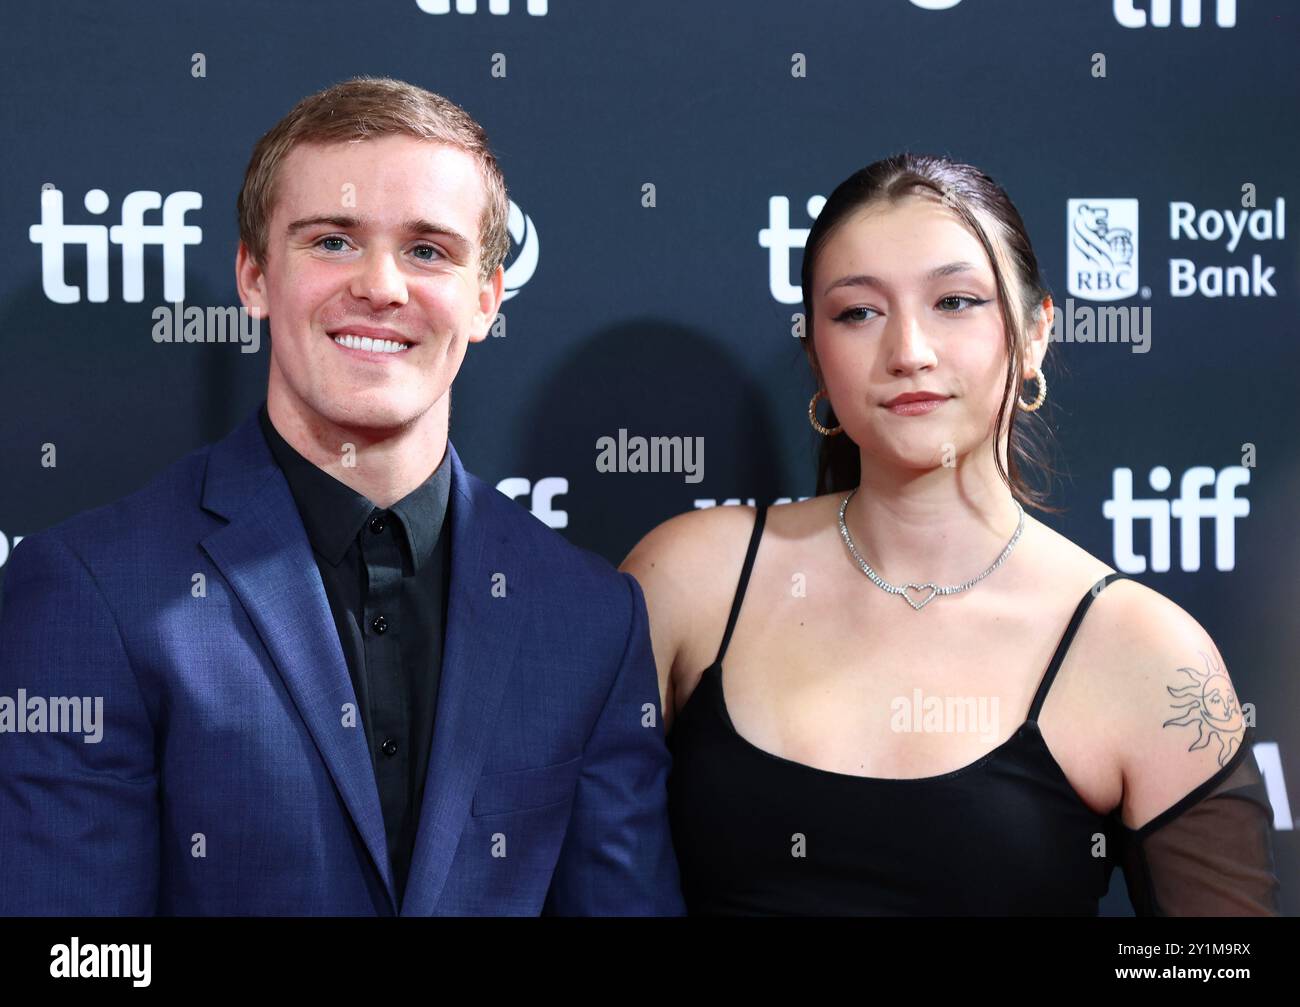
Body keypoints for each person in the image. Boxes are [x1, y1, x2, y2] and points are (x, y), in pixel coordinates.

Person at [0, 77, 683, 916]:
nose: (382, 286)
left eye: (428, 250)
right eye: (332, 241)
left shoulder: (589, 614)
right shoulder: (92, 590)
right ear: (254, 275)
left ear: (486, 298)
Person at [621, 153, 1279, 915]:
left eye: (957, 301)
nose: (909, 352)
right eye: (858, 312)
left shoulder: (1145, 653)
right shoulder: (692, 577)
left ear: (1035, 334)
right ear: (817, 357)